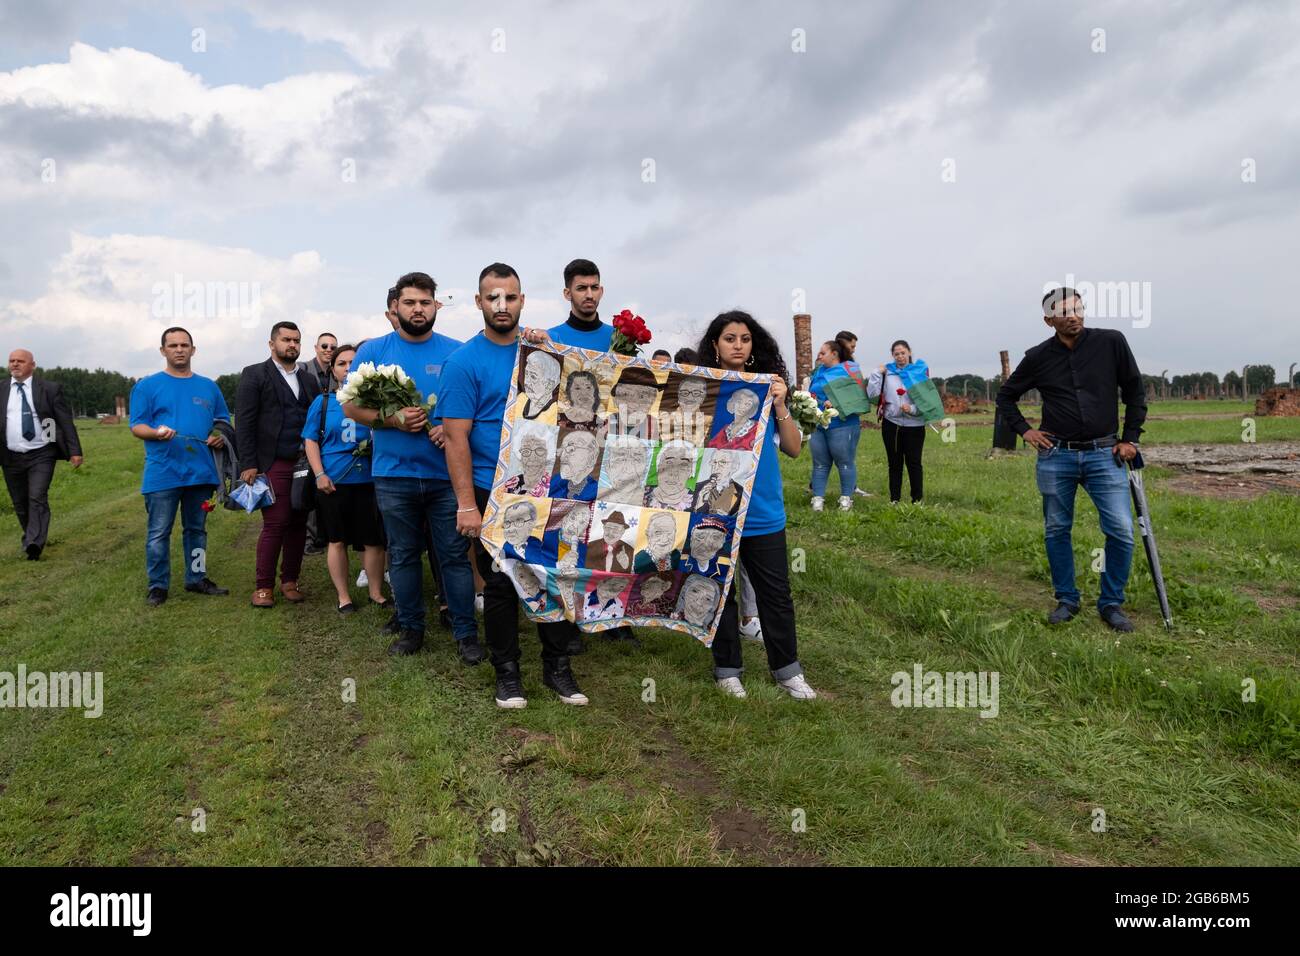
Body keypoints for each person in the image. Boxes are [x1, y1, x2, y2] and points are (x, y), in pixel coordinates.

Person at [442, 262, 589, 707]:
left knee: (555, 574)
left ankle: (558, 668)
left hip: (549, 487)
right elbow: (455, 437)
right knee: (503, 582)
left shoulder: (543, 351)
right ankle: (508, 674)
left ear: (522, 300)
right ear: (479, 302)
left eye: (510, 297)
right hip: (494, 490)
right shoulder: (462, 362)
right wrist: (467, 503)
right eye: (493, 298)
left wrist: (555, 353)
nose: (501, 305)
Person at [343, 272, 483, 662]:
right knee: (403, 555)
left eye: (425, 302)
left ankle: (465, 633)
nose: (417, 309)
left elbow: (476, 410)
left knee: (453, 556)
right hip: (394, 475)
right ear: (395, 308)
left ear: (436, 306)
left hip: (445, 476)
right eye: (410, 303)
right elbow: (350, 406)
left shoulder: (458, 352)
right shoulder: (373, 351)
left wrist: (450, 432)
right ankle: (410, 628)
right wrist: (391, 420)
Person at [996, 287, 1145, 633]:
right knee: (1057, 528)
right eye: (1063, 312)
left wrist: (1130, 438)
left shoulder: (1111, 343)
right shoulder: (1037, 357)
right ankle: (1067, 599)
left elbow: (1135, 391)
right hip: (1055, 455)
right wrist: (1026, 431)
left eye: (1077, 308)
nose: (1073, 315)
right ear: (1049, 320)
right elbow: (1006, 397)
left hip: (1104, 454)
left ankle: (1110, 603)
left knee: (1121, 531)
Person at [694, 310, 817, 700]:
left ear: (753, 346)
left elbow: (795, 450)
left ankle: (788, 671)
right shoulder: (704, 390)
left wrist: (781, 405)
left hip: (763, 510)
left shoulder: (769, 390)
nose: (738, 345)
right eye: (729, 338)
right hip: (715, 509)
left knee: (775, 594)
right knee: (719, 589)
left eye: (745, 339)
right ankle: (728, 669)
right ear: (715, 345)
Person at [534, 257, 636, 646]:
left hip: (613, 454)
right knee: (571, 533)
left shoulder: (619, 340)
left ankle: (612, 616)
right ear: (567, 293)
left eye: (594, 287)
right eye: (581, 288)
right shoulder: (553, 338)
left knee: (612, 529)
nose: (589, 294)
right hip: (569, 455)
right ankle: (569, 617)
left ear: (602, 290)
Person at [128, 327, 230, 605]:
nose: (179, 349)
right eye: (173, 345)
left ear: (193, 350)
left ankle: (196, 578)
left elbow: (223, 422)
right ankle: (158, 585)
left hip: (200, 472)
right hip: (163, 473)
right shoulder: (147, 386)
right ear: (163, 351)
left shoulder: (209, 386)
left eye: (185, 345)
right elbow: (137, 426)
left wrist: (219, 436)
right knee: (159, 532)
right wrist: (156, 432)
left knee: (196, 530)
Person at [236, 321, 320, 608]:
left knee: (298, 522)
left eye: (296, 340)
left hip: (304, 461)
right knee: (276, 522)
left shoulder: (309, 380)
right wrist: (248, 463)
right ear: (272, 344)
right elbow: (244, 421)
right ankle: (263, 587)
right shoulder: (255, 374)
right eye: (286, 340)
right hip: (273, 461)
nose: (292, 345)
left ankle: (290, 581)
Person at [302, 343, 389, 614]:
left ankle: (376, 592)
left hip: (369, 482)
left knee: (373, 539)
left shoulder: (375, 401)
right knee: (336, 539)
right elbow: (310, 440)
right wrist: (319, 474)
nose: (348, 367)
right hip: (334, 483)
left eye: (354, 362)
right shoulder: (323, 402)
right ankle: (344, 597)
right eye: (342, 363)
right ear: (333, 369)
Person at [2, 349, 82, 560]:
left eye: (20, 361)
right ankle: (30, 535)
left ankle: (34, 543)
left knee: (37, 496)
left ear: (32, 365)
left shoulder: (49, 389)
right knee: (20, 502)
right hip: (10, 454)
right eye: (12, 361)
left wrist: (75, 450)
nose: (15, 364)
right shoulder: (1, 389)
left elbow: (64, 421)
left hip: (42, 451)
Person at [807, 338, 864, 512]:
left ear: (834, 354)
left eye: (823, 353)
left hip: (843, 425)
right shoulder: (818, 372)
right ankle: (817, 499)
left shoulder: (849, 371)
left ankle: (846, 499)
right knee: (820, 463)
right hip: (818, 424)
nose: (819, 355)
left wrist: (837, 403)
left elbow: (858, 398)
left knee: (845, 461)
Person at [868, 340, 927, 504]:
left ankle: (917, 499)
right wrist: (876, 373)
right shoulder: (888, 373)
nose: (900, 357)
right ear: (892, 356)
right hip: (891, 424)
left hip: (914, 425)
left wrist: (913, 409)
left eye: (903, 353)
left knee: (914, 463)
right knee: (894, 463)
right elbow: (872, 393)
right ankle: (894, 499)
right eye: (896, 354)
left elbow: (927, 401)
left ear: (909, 352)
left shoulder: (919, 373)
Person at [301, 332, 338, 556]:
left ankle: (325, 535)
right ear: (316, 347)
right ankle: (309, 538)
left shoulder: (339, 372)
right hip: (309, 436)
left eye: (333, 346)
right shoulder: (303, 370)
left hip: (330, 439)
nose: (328, 349)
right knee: (308, 490)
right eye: (324, 345)